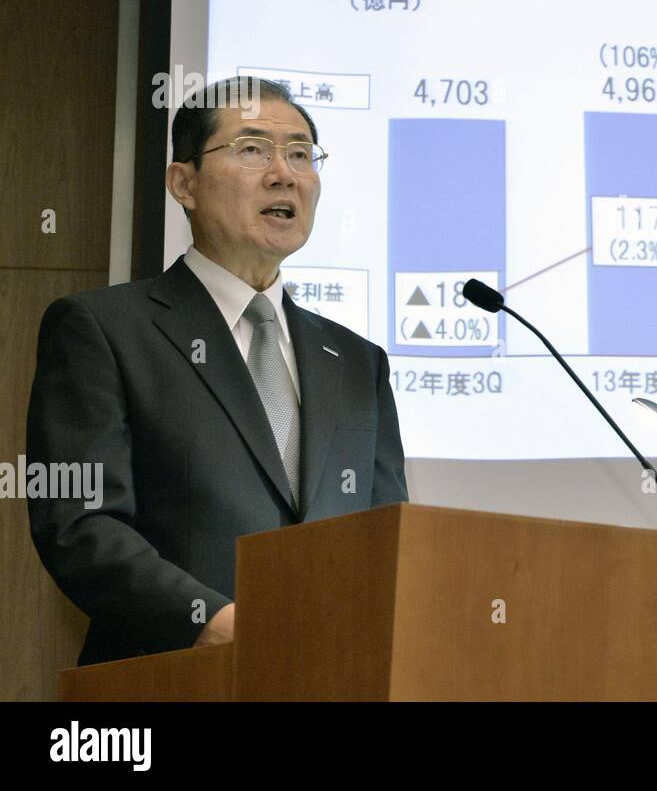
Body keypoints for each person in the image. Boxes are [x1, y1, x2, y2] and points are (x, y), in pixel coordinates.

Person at [27, 76, 407, 665]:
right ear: (184, 183)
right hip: (174, 678)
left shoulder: (357, 362)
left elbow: (387, 540)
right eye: (252, 149)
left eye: (301, 153)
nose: (285, 174)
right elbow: (81, 524)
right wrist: (215, 624)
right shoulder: (104, 329)